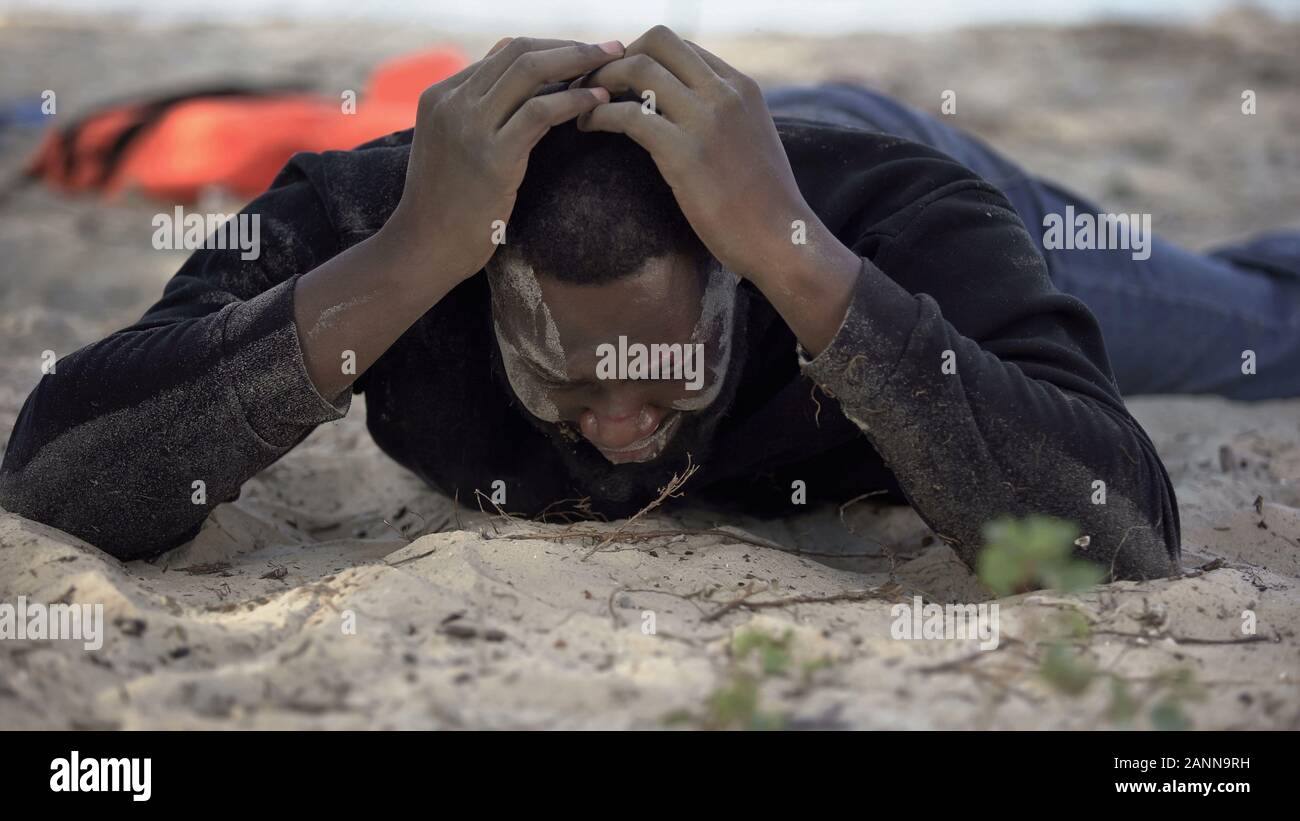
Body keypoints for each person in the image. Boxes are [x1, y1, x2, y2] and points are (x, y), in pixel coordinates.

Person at [1, 28, 1183, 581]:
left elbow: (1124, 533)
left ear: (737, 280)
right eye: (568, 378)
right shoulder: (378, 227)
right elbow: (53, 483)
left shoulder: (896, 222)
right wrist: (409, 256)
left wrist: (802, 263)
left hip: (833, 160)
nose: (619, 424)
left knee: (1241, 319)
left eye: (668, 371)